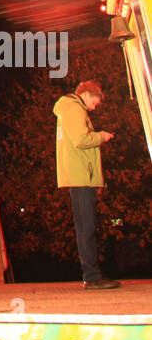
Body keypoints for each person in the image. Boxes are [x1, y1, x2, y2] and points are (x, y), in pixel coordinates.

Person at [54, 80, 119, 289]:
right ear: (89, 94)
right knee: (86, 227)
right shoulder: (72, 108)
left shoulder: (69, 108)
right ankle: (91, 277)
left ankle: (92, 275)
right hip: (81, 176)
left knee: (86, 226)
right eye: (96, 102)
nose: (95, 107)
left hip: (81, 175)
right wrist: (102, 136)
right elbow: (81, 139)